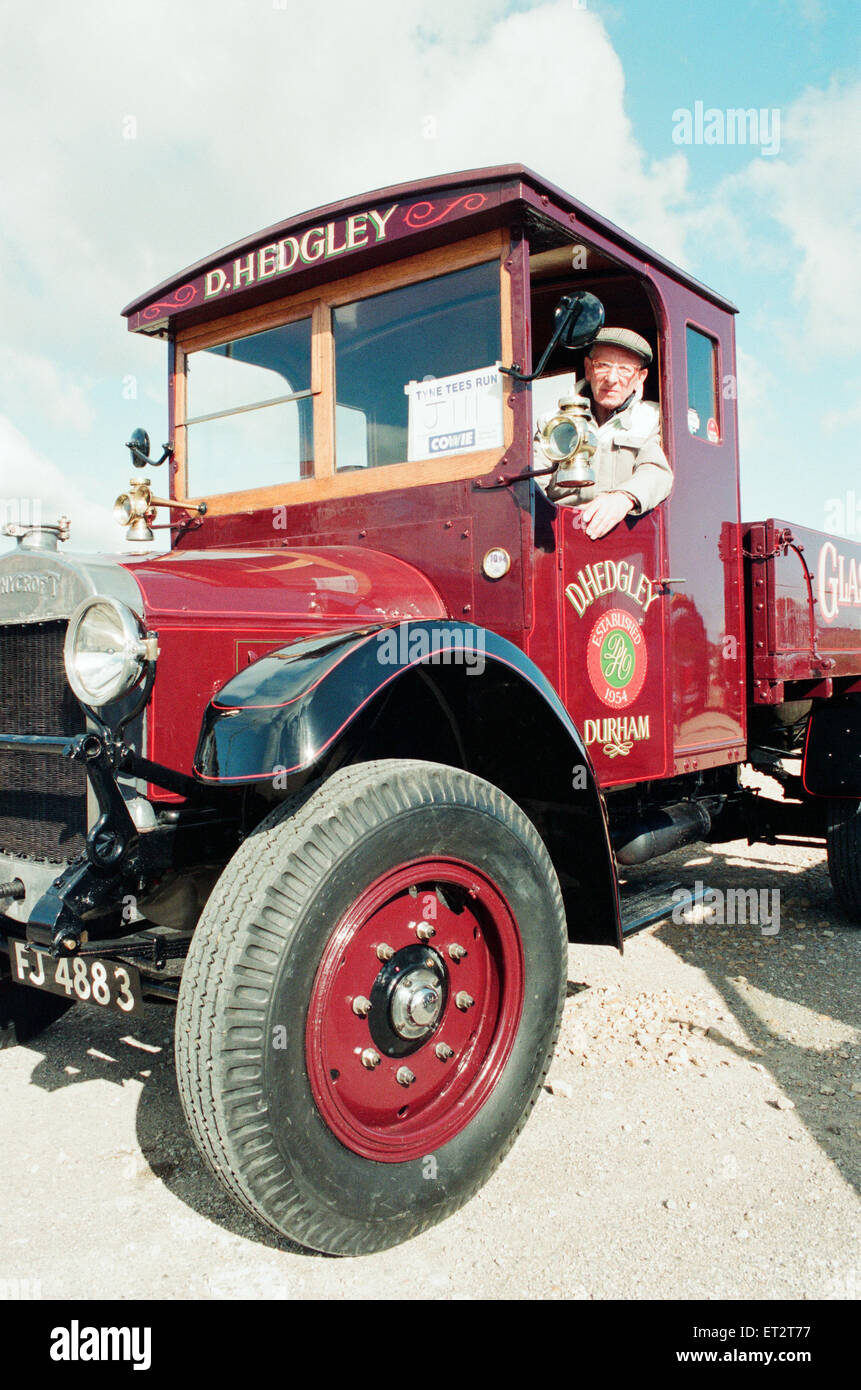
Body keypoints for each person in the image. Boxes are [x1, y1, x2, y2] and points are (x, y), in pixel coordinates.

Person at [537, 327, 673, 540]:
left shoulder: (653, 418)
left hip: (623, 540)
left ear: (640, 377)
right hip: (558, 535)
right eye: (603, 366)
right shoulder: (552, 421)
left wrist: (623, 498)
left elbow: (656, 472)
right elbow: (532, 483)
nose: (611, 378)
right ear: (588, 369)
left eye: (625, 370)